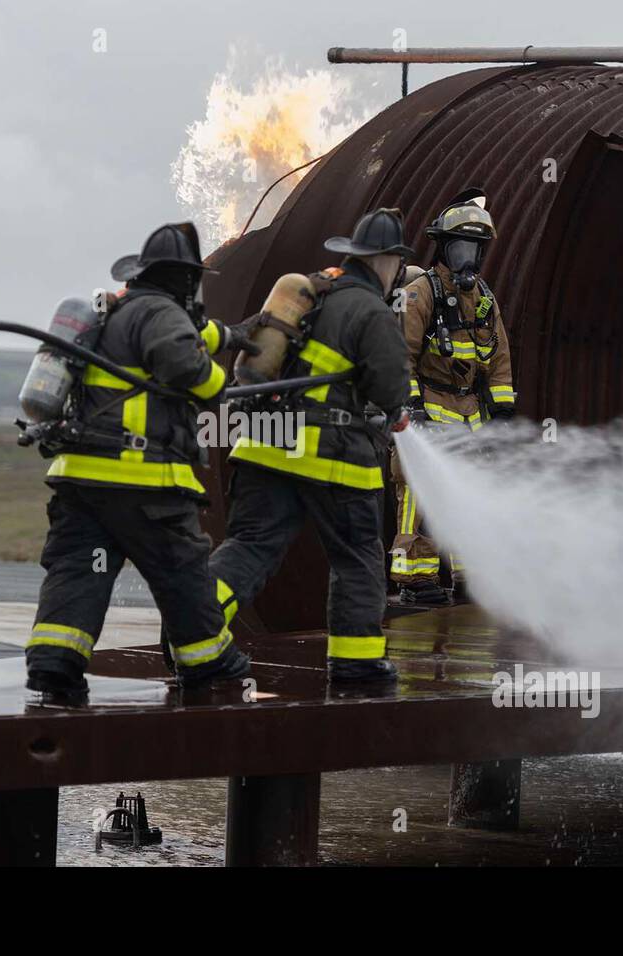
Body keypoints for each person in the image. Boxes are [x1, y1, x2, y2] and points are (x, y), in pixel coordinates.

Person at [25, 222, 259, 700]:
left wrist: (235, 335)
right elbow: (183, 362)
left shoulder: (117, 312)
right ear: (180, 279)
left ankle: (54, 663)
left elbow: (194, 335)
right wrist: (220, 386)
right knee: (181, 571)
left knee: (78, 572)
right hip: (142, 481)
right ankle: (207, 661)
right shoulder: (161, 311)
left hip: (81, 479)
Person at [209, 208, 412, 685]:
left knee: (251, 546)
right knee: (357, 554)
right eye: (396, 264)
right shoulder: (371, 310)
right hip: (333, 453)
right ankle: (355, 662)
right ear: (383, 261)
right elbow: (387, 385)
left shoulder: (311, 294)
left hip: (266, 445)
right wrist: (398, 410)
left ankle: (192, 631)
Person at [391, 189, 515, 606]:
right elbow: (401, 355)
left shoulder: (484, 300)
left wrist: (503, 408)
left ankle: (469, 575)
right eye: (460, 247)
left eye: (474, 249)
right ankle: (416, 577)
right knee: (418, 491)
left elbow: (499, 358)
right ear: (443, 248)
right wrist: (411, 407)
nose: (468, 258)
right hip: (430, 406)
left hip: (470, 415)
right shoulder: (421, 293)